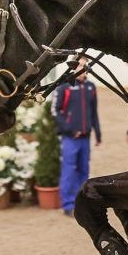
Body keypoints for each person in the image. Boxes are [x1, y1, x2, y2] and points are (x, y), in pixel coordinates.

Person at [51, 59, 102, 216]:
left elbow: (93, 112)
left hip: (85, 138)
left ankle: (82, 203)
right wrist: (70, 129)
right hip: (70, 139)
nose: (84, 68)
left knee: (84, 171)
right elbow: (55, 111)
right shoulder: (63, 87)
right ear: (72, 67)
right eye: (80, 65)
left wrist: (97, 133)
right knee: (69, 171)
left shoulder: (90, 87)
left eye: (85, 66)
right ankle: (68, 205)